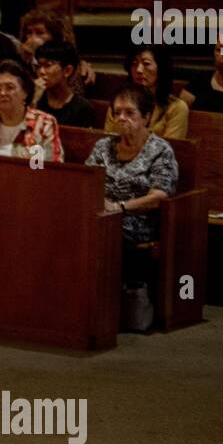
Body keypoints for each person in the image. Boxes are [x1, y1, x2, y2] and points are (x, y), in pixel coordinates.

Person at [86, 84, 179, 290]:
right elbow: (86, 182)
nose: (121, 118)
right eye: (117, 112)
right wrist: (101, 205)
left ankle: (102, 296)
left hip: (137, 221)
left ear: (146, 117)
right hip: (100, 213)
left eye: (129, 113)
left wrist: (120, 207)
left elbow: (159, 196)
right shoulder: (103, 146)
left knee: (100, 230)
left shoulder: (160, 150)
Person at [0, 59, 63, 161]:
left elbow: (51, 168)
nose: (2, 93)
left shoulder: (43, 124)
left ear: (25, 92)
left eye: (9, 87)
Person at [104, 45, 189, 139]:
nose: (138, 70)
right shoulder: (119, 103)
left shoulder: (176, 108)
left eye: (146, 64)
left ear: (160, 68)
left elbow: (172, 148)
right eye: (134, 63)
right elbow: (108, 140)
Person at [33, 40, 95, 128]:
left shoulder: (82, 108)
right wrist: (33, 100)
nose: (41, 71)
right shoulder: (35, 97)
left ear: (67, 71)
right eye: (38, 66)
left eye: (48, 65)